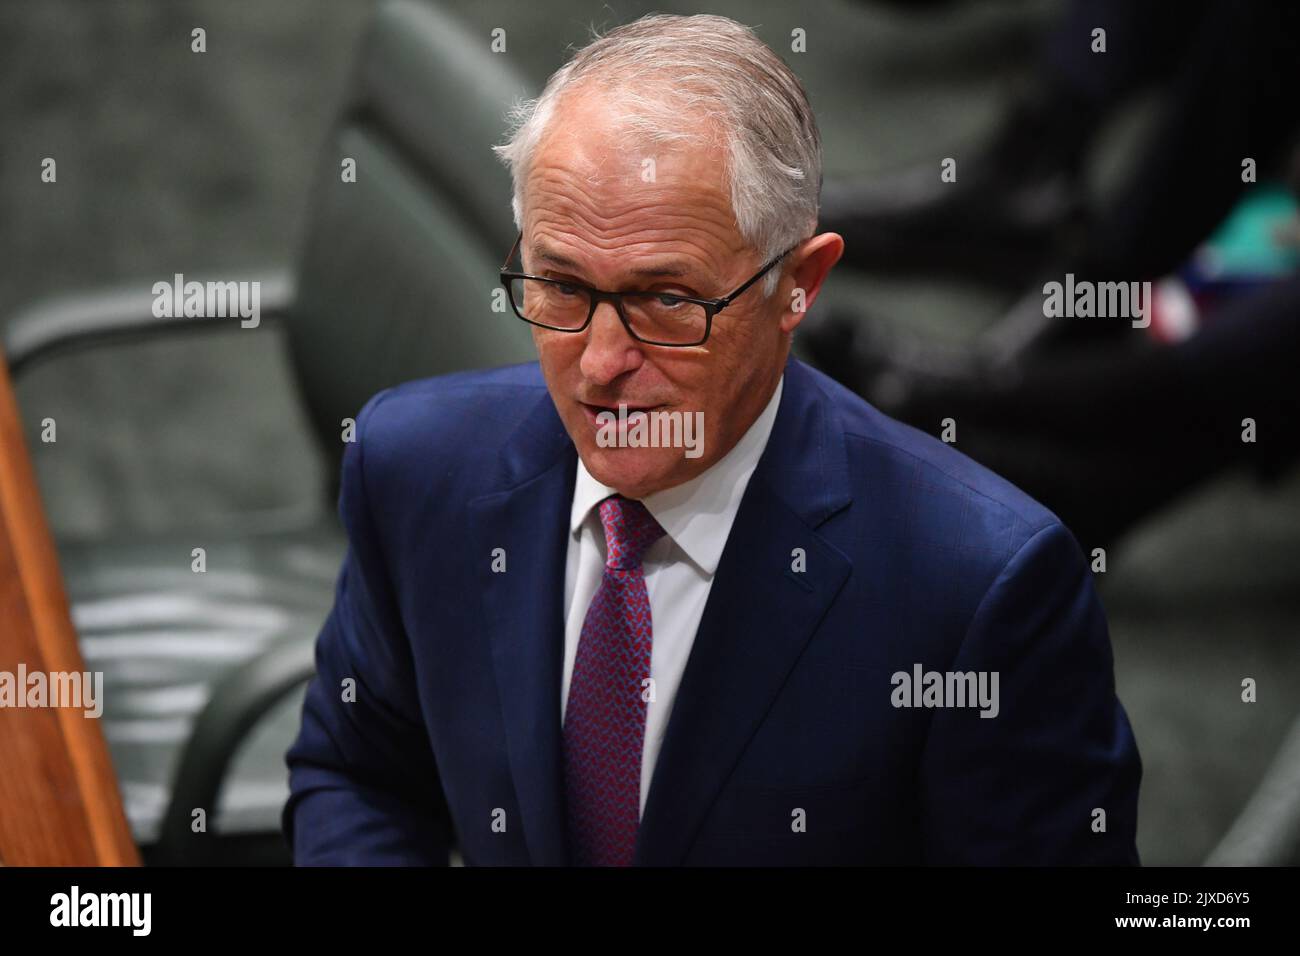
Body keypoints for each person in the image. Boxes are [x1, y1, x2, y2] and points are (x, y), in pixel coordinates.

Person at [283, 13, 1140, 866]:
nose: (603, 364)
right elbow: (360, 776)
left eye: (667, 300)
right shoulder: (415, 464)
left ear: (798, 286)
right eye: (561, 285)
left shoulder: (980, 591)